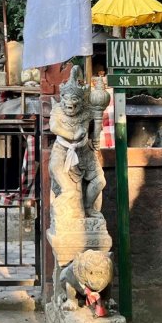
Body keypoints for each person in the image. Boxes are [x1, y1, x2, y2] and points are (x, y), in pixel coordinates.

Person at [48, 67, 105, 219]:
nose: (70, 103)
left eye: (75, 99)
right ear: (62, 98)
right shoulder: (57, 110)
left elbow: (97, 122)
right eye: (67, 98)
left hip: (84, 150)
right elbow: (54, 127)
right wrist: (73, 135)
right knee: (69, 190)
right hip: (62, 151)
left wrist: (95, 138)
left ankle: (89, 208)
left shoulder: (87, 111)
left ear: (81, 100)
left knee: (99, 181)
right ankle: (63, 214)